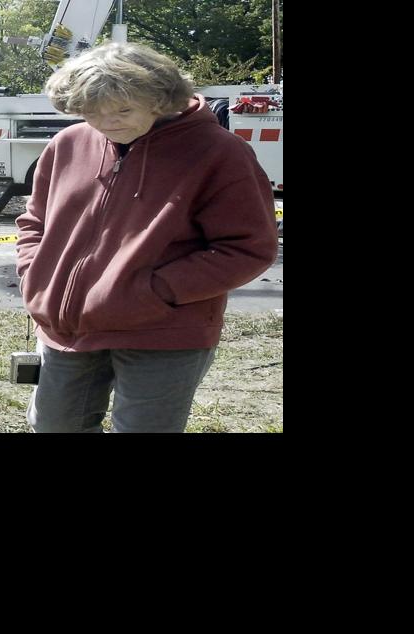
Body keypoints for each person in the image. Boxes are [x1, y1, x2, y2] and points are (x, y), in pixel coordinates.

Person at [15, 42, 278, 433]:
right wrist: (35, 274)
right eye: (92, 112)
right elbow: (35, 220)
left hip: (163, 330)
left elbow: (246, 248)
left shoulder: (220, 153)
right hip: (67, 327)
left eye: (123, 110)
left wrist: (152, 291)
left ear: (161, 100)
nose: (108, 123)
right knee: (54, 426)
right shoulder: (67, 144)